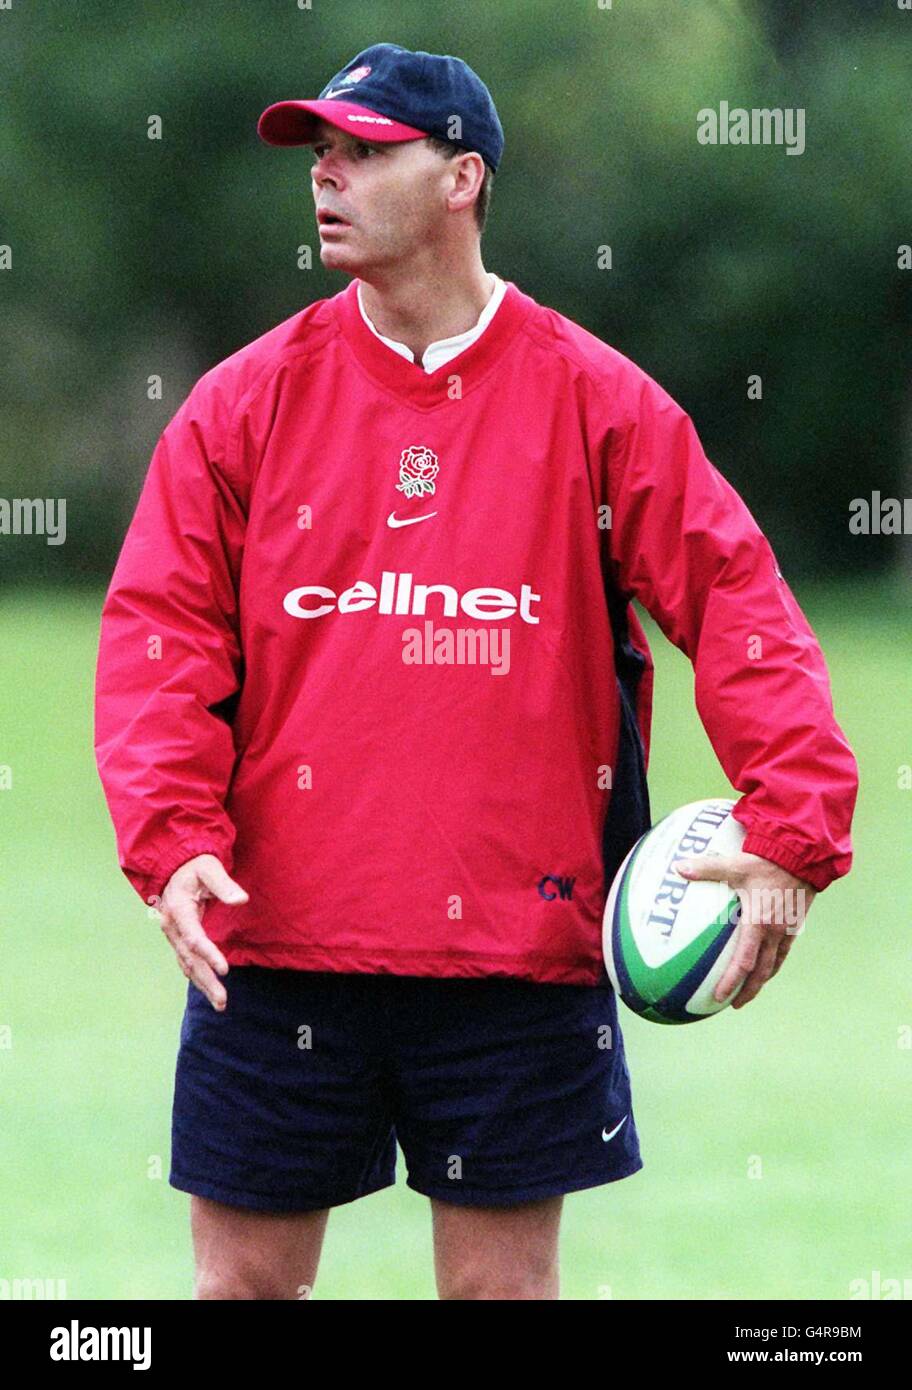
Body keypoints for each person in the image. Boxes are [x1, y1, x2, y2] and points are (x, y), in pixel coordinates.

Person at [93, 42, 858, 1301]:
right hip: (275, 945)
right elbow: (162, 631)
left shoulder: (601, 403)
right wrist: (170, 836)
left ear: (462, 178)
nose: (326, 178)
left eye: (364, 151)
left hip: (519, 945)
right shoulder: (243, 405)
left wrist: (795, 823)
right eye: (318, 155)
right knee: (240, 1294)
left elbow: (737, 605)